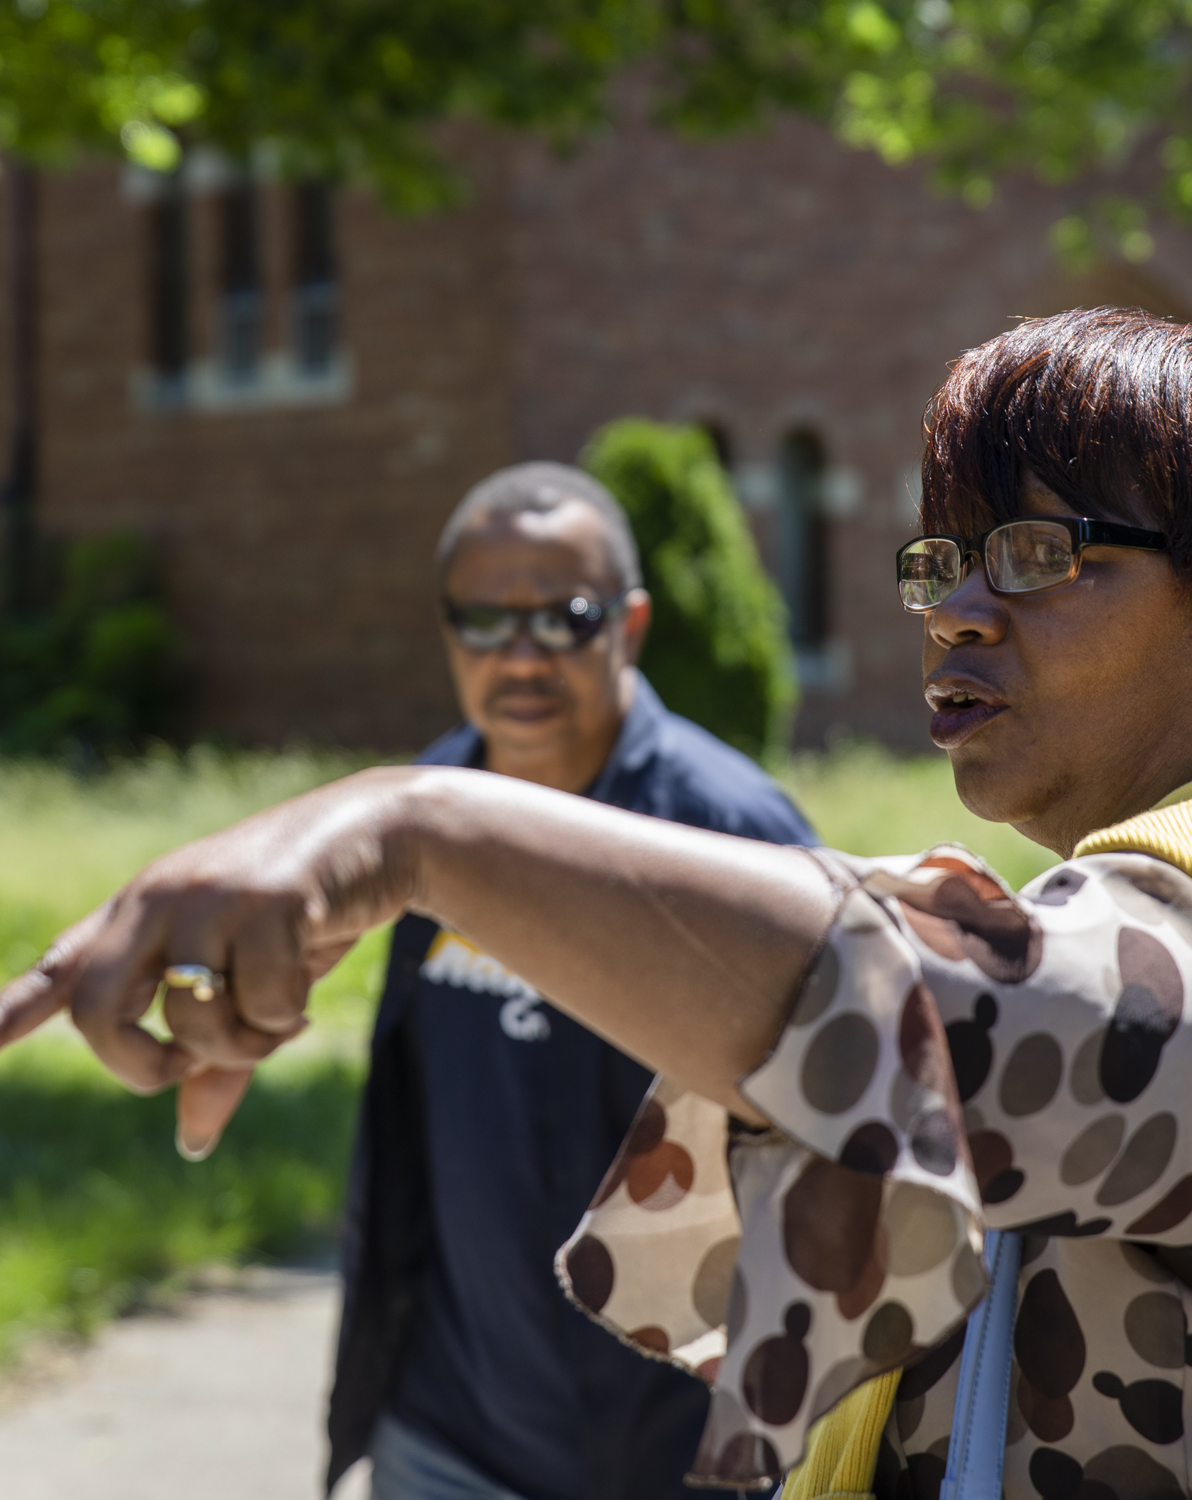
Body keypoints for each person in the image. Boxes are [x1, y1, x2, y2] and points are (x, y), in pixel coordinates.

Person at [0, 310, 1192, 1500]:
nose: (952, 612)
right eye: (937, 559)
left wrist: (414, 830)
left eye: (1033, 555)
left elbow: (915, 1019)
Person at [275, 460, 820, 1500]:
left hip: (680, 1451)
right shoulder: (417, 825)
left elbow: (827, 1130)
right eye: (484, 620)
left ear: (632, 624)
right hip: (445, 1435)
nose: (519, 655)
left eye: (564, 617)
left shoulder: (728, 833)